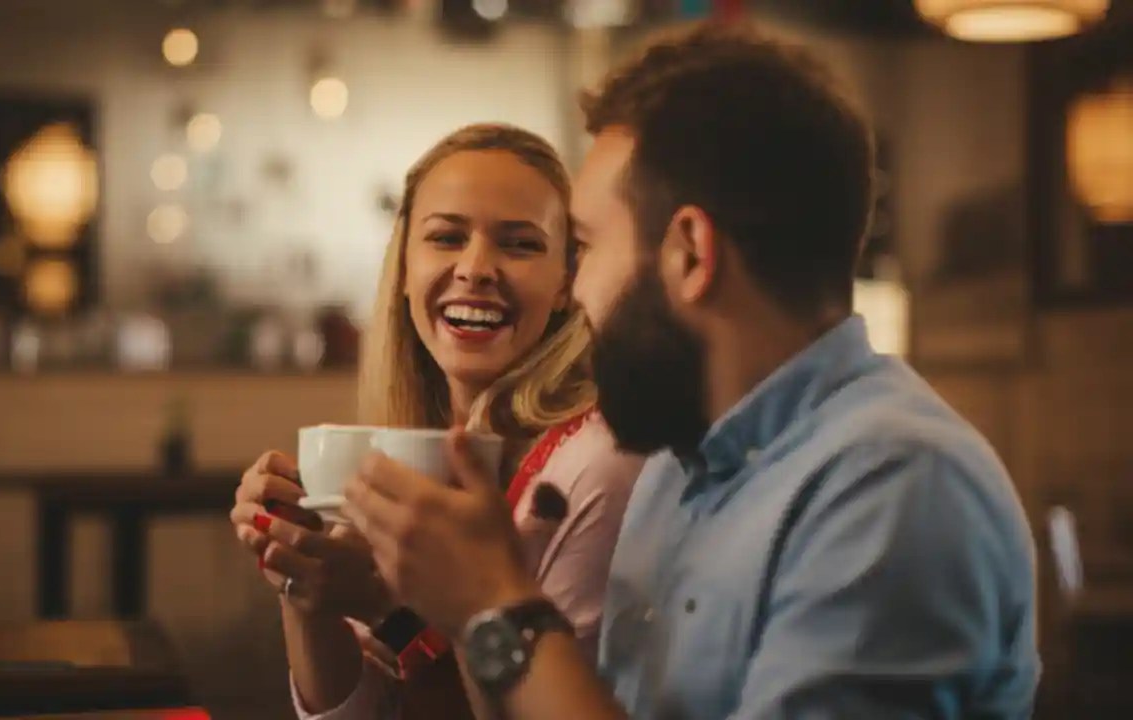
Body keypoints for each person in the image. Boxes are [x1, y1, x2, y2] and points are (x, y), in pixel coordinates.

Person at [343, 23, 1040, 720]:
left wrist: (501, 610)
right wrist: (465, 607)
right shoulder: (675, 473)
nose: (574, 291)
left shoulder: (894, 485)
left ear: (688, 254)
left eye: (585, 246)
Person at [229, 123, 645, 719]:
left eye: (521, 244)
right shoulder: (408, 452)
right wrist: (302, 579)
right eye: (447, 237)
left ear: (565, 282)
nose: (476, 268)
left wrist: (387, 610)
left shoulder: (595, 464)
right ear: (403, 270)